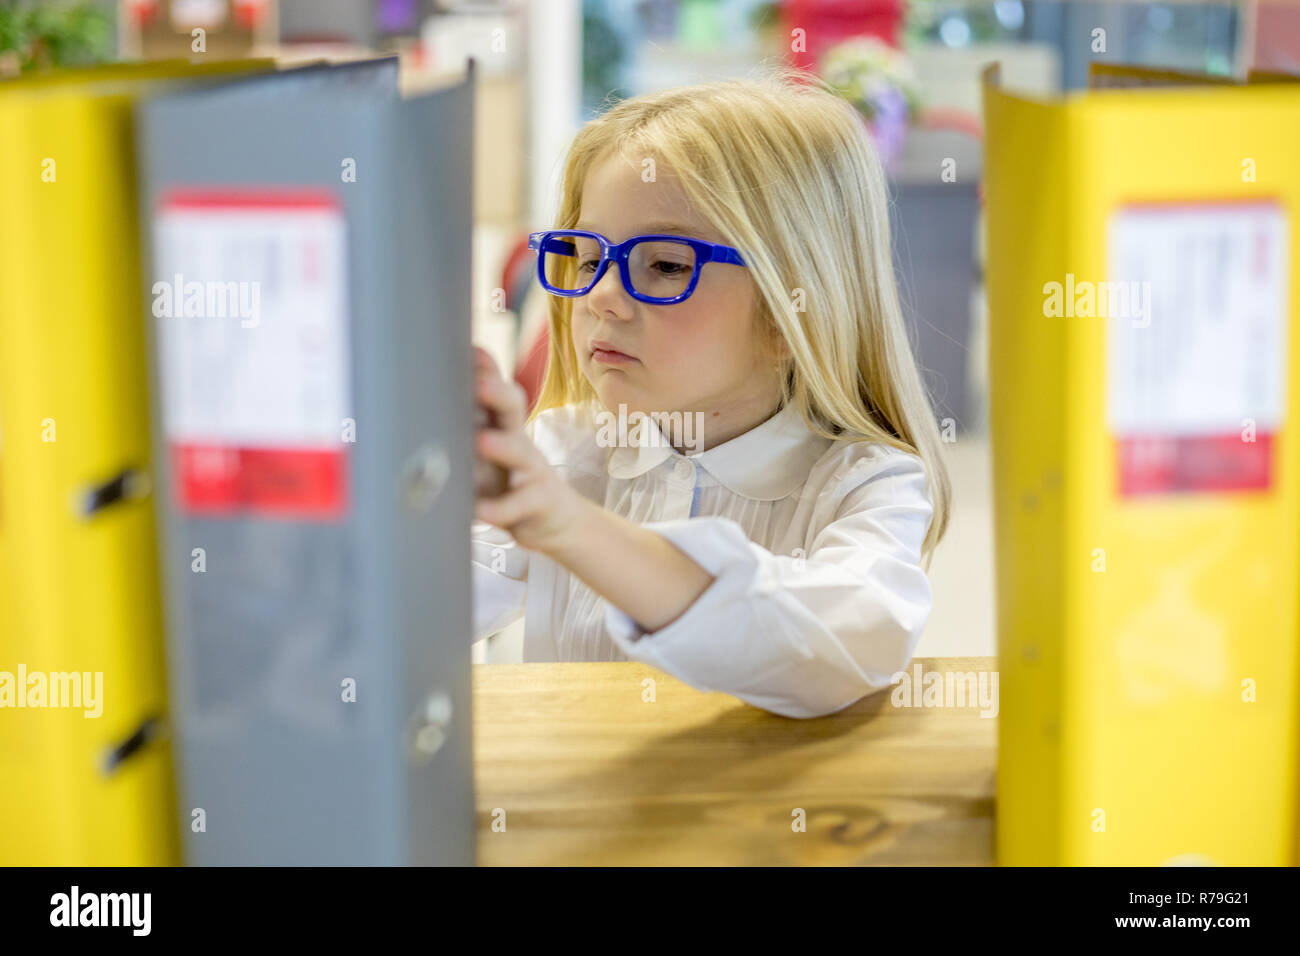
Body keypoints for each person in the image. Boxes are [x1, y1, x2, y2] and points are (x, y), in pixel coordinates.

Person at [471, 70, 950, 719]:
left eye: (665, 265)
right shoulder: (567, 449)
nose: (600, 296)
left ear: (791, 317)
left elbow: (840, 645)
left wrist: (571, 527)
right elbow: (417, 602)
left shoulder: (865, 484)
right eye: (589, 259)